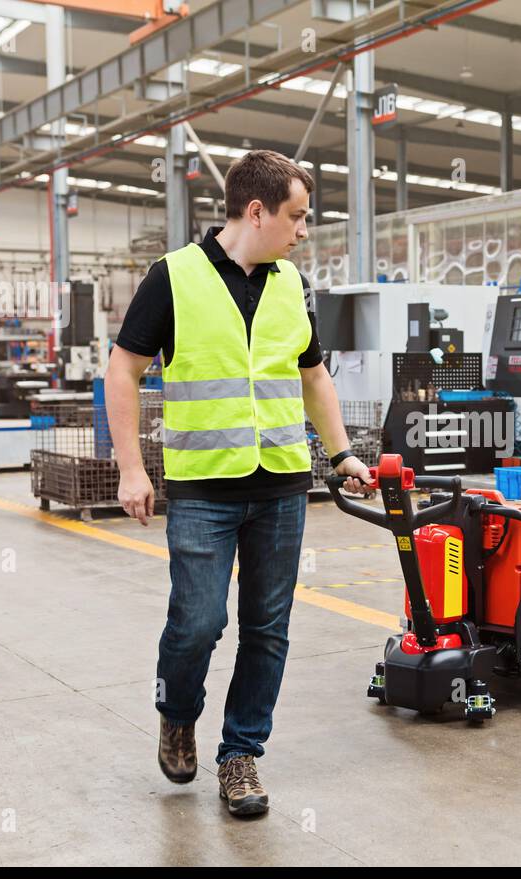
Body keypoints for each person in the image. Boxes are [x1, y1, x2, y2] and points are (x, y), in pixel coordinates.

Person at [106, 149, 372, 817]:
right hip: (203, 486)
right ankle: (177, 712)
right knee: (197, 623)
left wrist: (341, 456)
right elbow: (123, 370)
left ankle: (239, 755)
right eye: (297, 216)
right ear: (257, 212)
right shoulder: (173, 277)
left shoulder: (289, 283)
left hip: (281, 485)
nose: (303, 230)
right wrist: (131, 468)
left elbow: (312, 376)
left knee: (268, 627)